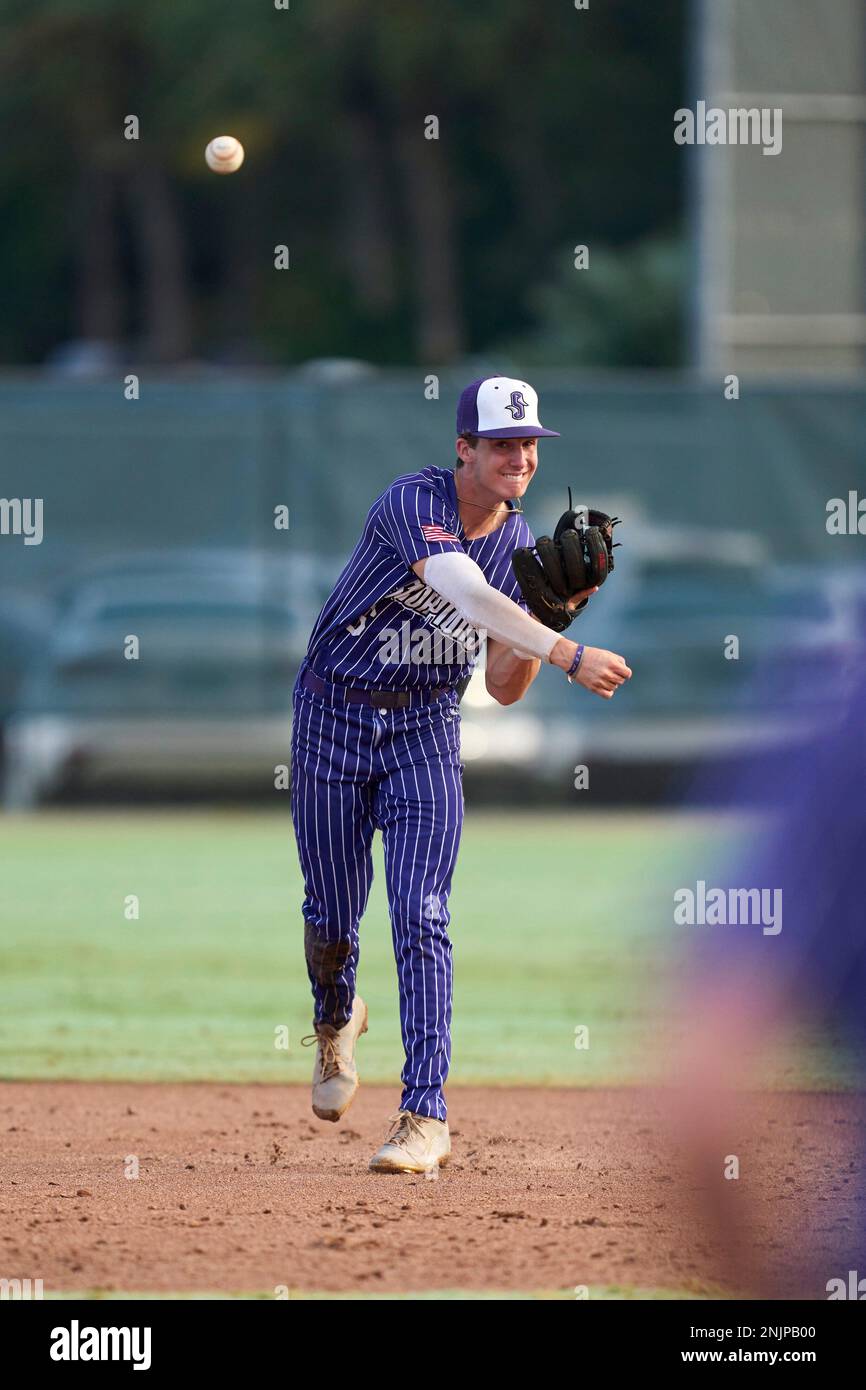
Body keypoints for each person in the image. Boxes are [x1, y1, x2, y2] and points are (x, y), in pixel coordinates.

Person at [291, 375, 631, 1172]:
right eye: (503, 443)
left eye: (529, 445)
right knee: (331, 919)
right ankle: (337, 1019)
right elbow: (460, 589)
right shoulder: (410, 502)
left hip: (426, 730)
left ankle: (425, 1114)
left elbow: (506, 689)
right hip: (333, 714)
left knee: (422, 913)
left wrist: (558, 613)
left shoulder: (521, 550)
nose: (519, 457)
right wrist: (569, 651)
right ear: (463, 449)